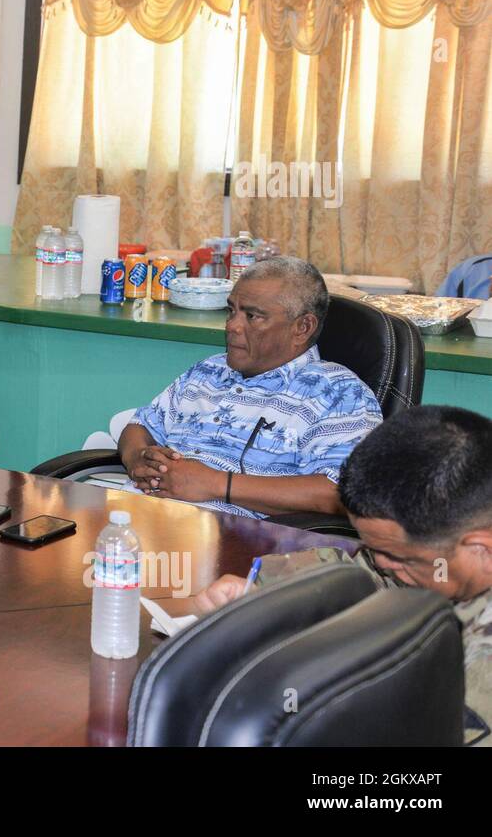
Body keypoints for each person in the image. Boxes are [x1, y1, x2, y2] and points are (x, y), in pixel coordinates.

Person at [193, 406, 492, 745]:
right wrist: (259, 591)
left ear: (482, 549)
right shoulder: (434, 553)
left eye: (394, 555)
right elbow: (357, 576)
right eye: (371, 546)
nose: (380, 561)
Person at [118, 256, 382, 519]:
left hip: (232, 543)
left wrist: (216, 484)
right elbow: (139, 426)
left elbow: (340, 493)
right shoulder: (209, 370)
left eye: (252, 316)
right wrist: (138, 459)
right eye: (231, 310)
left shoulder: (339, 393)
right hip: (134, 520)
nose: (232, 326)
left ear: (302, 327)